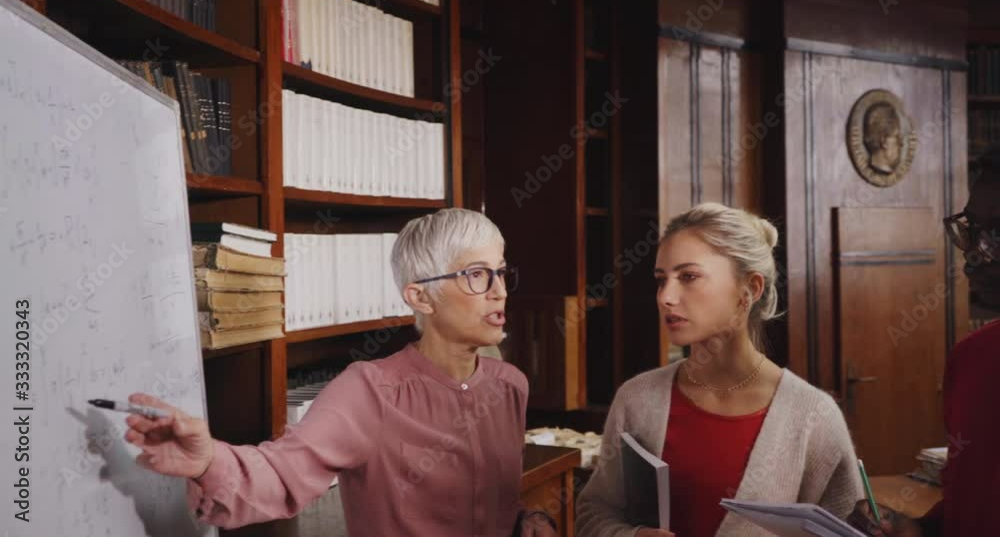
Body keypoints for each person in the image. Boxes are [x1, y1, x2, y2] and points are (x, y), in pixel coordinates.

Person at [123, 208, 554, 537]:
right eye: (477, 275)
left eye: (499, 272)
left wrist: (527, 519)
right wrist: (207, 462)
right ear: (421, 298)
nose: (498, 290)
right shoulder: (370, 390)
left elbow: (495, 500)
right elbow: (281, 472)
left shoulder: (510, 384)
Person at [576, 202, 863, 537]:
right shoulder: (637, 399)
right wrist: (632, 535)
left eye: (689, 277)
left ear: (749, 290)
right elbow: (593, 513)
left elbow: (847, 527)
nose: (666, 297)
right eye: (660, 280)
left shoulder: (813, 415)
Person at [848, 158, 1000, 536]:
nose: (973, 254)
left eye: (996, 232)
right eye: (971, 228)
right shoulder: (972, 357)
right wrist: (911, 528)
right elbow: (971, 507)